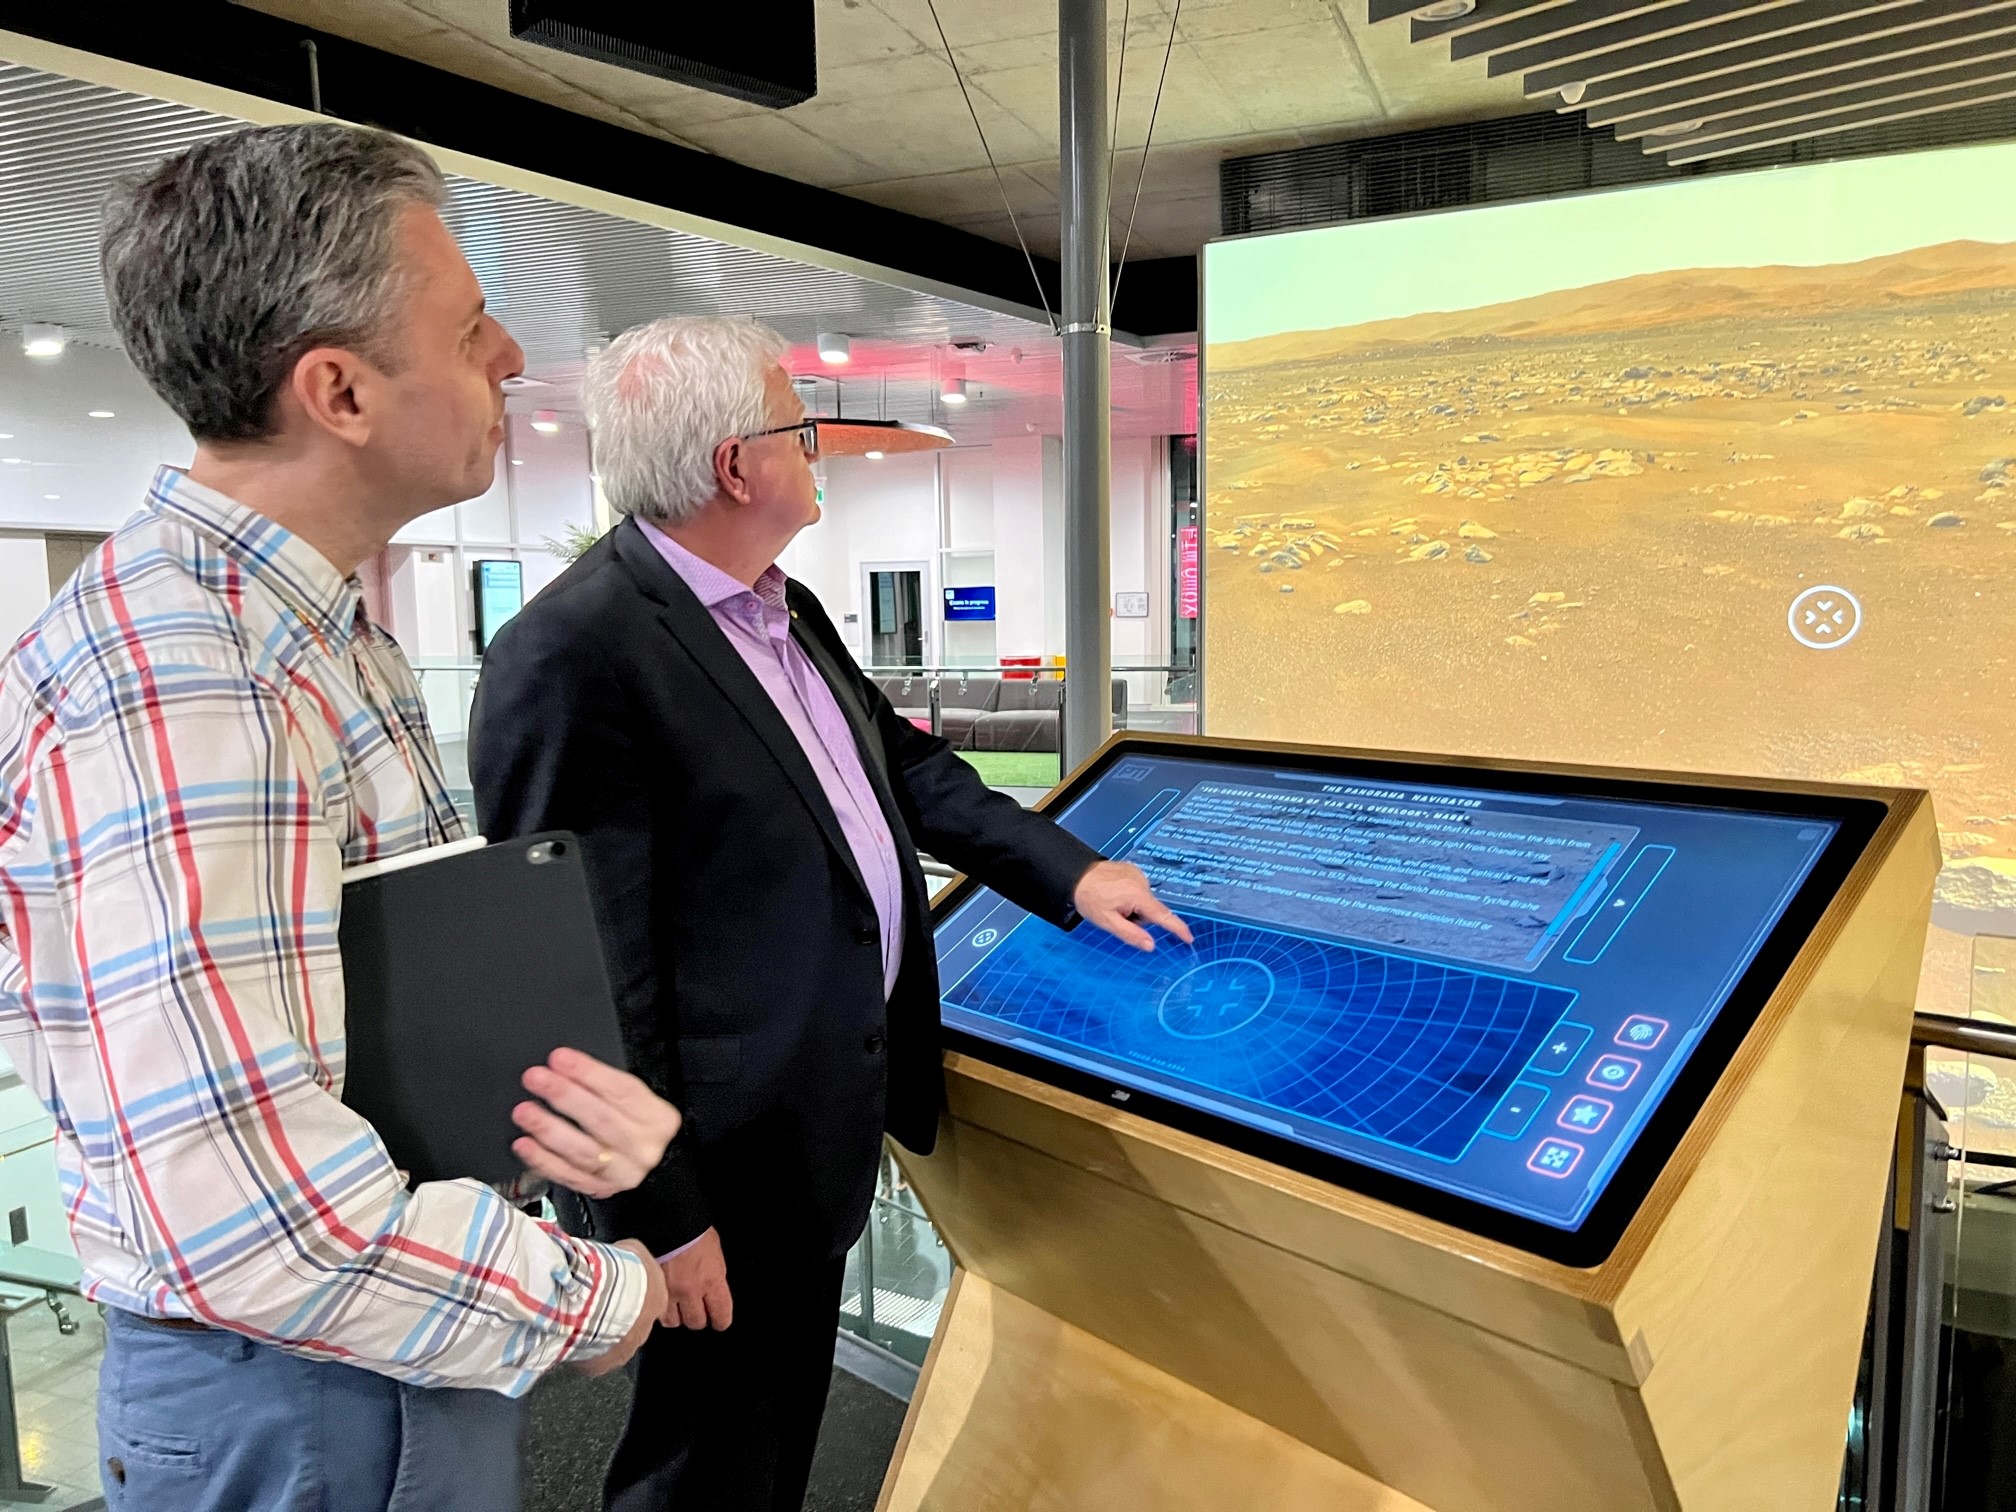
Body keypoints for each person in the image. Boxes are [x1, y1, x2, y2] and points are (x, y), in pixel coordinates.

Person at [0, 124, 683, 1512]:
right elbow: (249, 1222)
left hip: (354, 1370)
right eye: (472, 327)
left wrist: (536, 1119)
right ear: (340, 391)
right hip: (309, 1398)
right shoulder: (201, 679)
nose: (509, 359)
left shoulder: (301, 633)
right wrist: (597, 1297)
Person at [470, 314, 1191, 1511]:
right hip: (717, 1165)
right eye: (801, 429)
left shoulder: (780, 605)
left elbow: (902, 769)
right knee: (706, 1468)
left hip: (813, 1132)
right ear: (735, 466)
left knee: (770, 1447)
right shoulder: (574, 654)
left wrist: (1066, 873)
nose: (820, 453)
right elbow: (584, 975)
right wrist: (661, 1218)